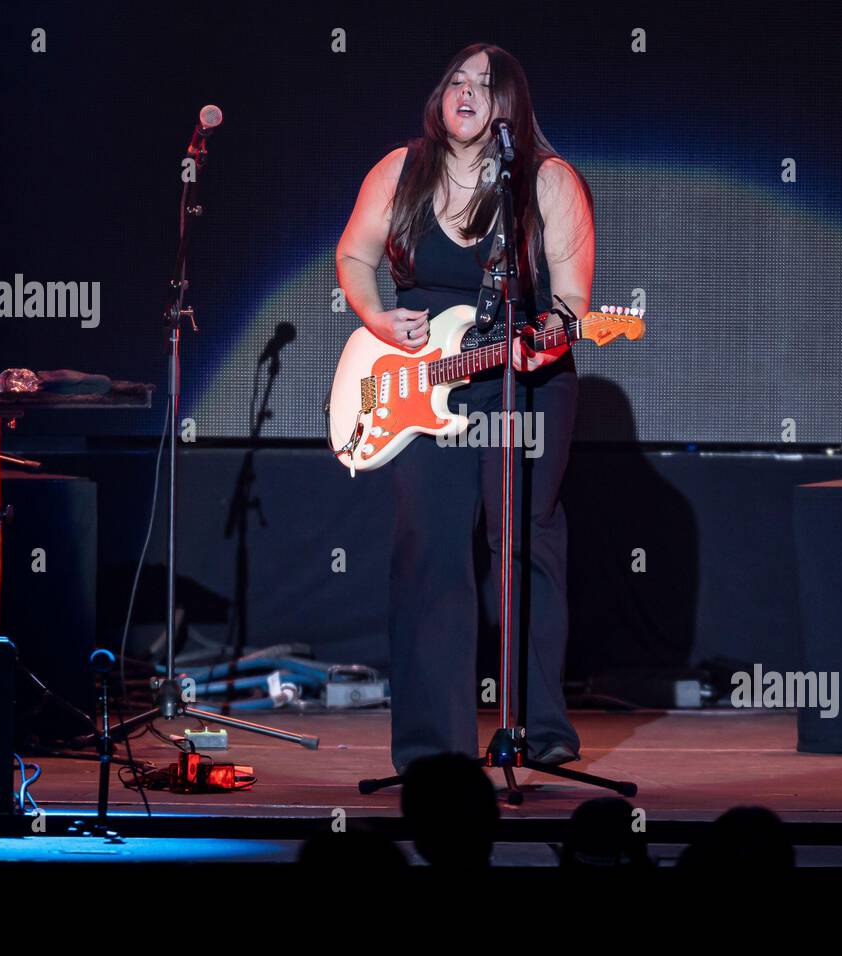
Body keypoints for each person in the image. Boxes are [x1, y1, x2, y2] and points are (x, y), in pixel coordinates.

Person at [336, 43, 595, 774]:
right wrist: (378, 320)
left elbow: (571, 305)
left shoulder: (546, 182)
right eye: (456, 79)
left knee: (522, 542)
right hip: (423, 382)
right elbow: (353, 258)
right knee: (428, 547)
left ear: (509, 104)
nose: (467, 92)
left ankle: (539, 731)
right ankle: (433, 750)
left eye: (485, 84)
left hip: (524, 382)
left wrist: (547, 343)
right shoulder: (400, 170)